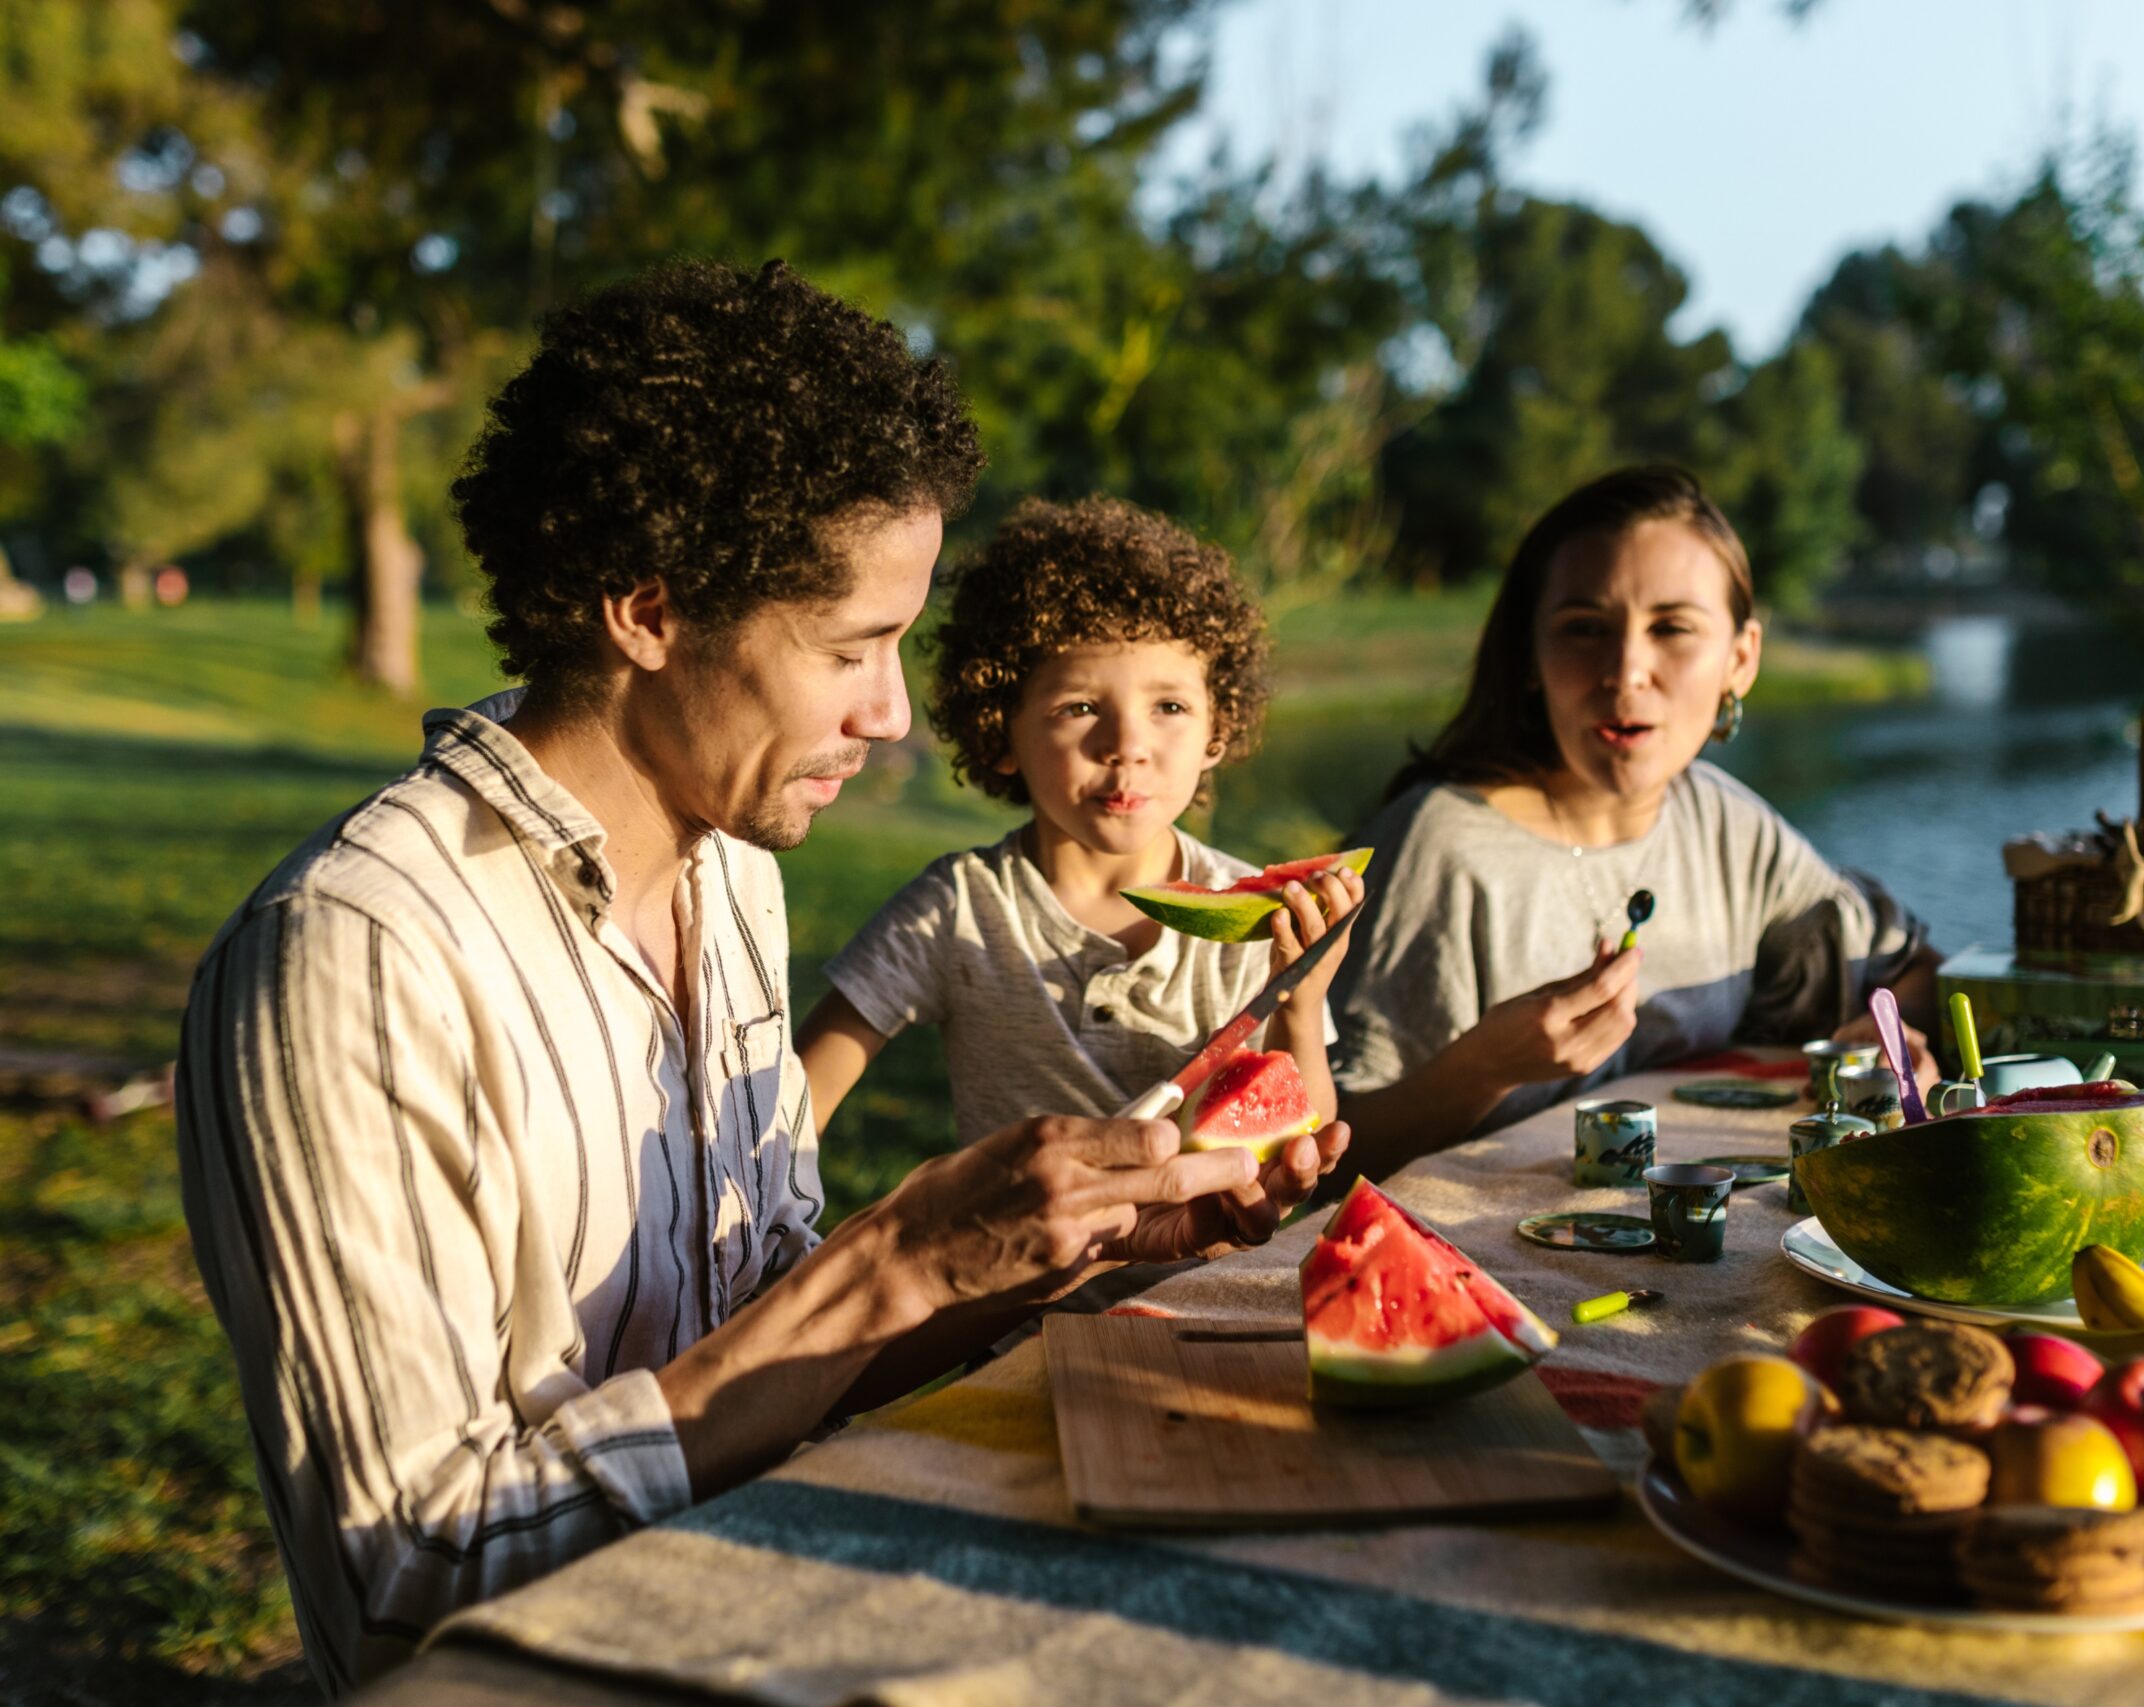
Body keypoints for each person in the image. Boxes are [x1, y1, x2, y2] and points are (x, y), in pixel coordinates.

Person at [173, 260, 1347, 1694]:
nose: (895, 708)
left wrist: (1065, 1249)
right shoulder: (350, 961)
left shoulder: (732, 862)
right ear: (650, 611)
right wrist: (892, 1264)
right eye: (851, 645)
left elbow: (765, 1352)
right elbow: (406, 1583)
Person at [1331, 465, 1938, 1178]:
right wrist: (1484, 1069)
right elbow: (1325, 1159)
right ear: (1531, 655)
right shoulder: (1438, 846)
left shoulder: (1721, 820)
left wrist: (1897, 1040)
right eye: (1585, 628)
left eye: (1672, 627)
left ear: (1740, 660)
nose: (1624, 671)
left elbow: (1907, 967)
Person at [796, 497, 1360, 1142]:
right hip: (1011, 1245)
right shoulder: (956, 909)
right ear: (998, 733)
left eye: (1169, 706)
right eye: (1081, 707)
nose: (1127, 743)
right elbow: (795, 1105)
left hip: (1214, 1248)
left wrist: (1302, 998)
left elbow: (1301, 1143)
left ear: (1217, 732)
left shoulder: (1256, 921)